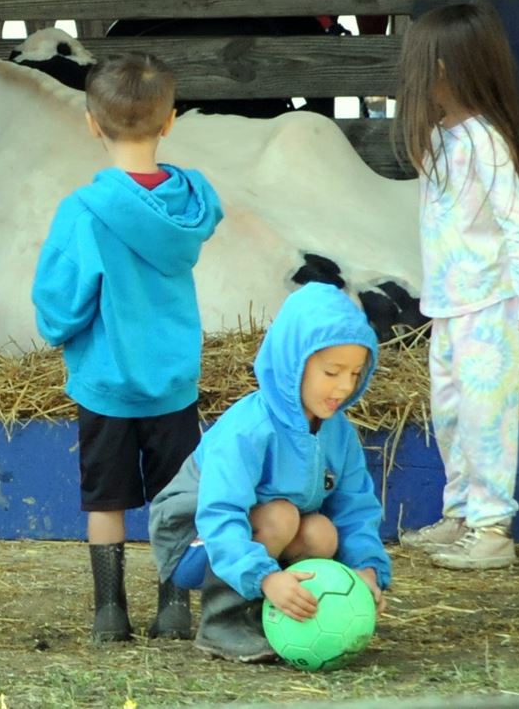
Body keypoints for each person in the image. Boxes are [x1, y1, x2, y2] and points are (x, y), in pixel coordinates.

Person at [31, 51, 224, 642]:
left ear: (92, 123)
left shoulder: (83, 213)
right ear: (170, 122)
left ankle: (110, 614)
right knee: (179, 497)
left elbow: (59, 307)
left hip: (107, 382)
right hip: (172, 382)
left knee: (106, 500)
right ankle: (174, 607)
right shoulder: (191, 204)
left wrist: (63, 329)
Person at [391, 2, 519, 570]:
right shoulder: (440, 137)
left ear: (447, 69)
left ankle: (492, 528)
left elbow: (515, 222)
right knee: (451, 412)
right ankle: (460, 512)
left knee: (487, 416)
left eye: (422, 66)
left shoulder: (485, 141)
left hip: (490, 302)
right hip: (449, 304)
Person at [149, 282, 392, 663]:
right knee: (282, 516)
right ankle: (223, 623)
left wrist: (365, 570)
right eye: (331, 372)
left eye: (355, 373)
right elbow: (220, 512)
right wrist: (265, 577)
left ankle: (278, 617)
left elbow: (355, 508)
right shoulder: (249, 427)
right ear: (294, 364)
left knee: (320, 531)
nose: (344, 387)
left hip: (259, 537)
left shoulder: (338, 431)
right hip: (196, 537)